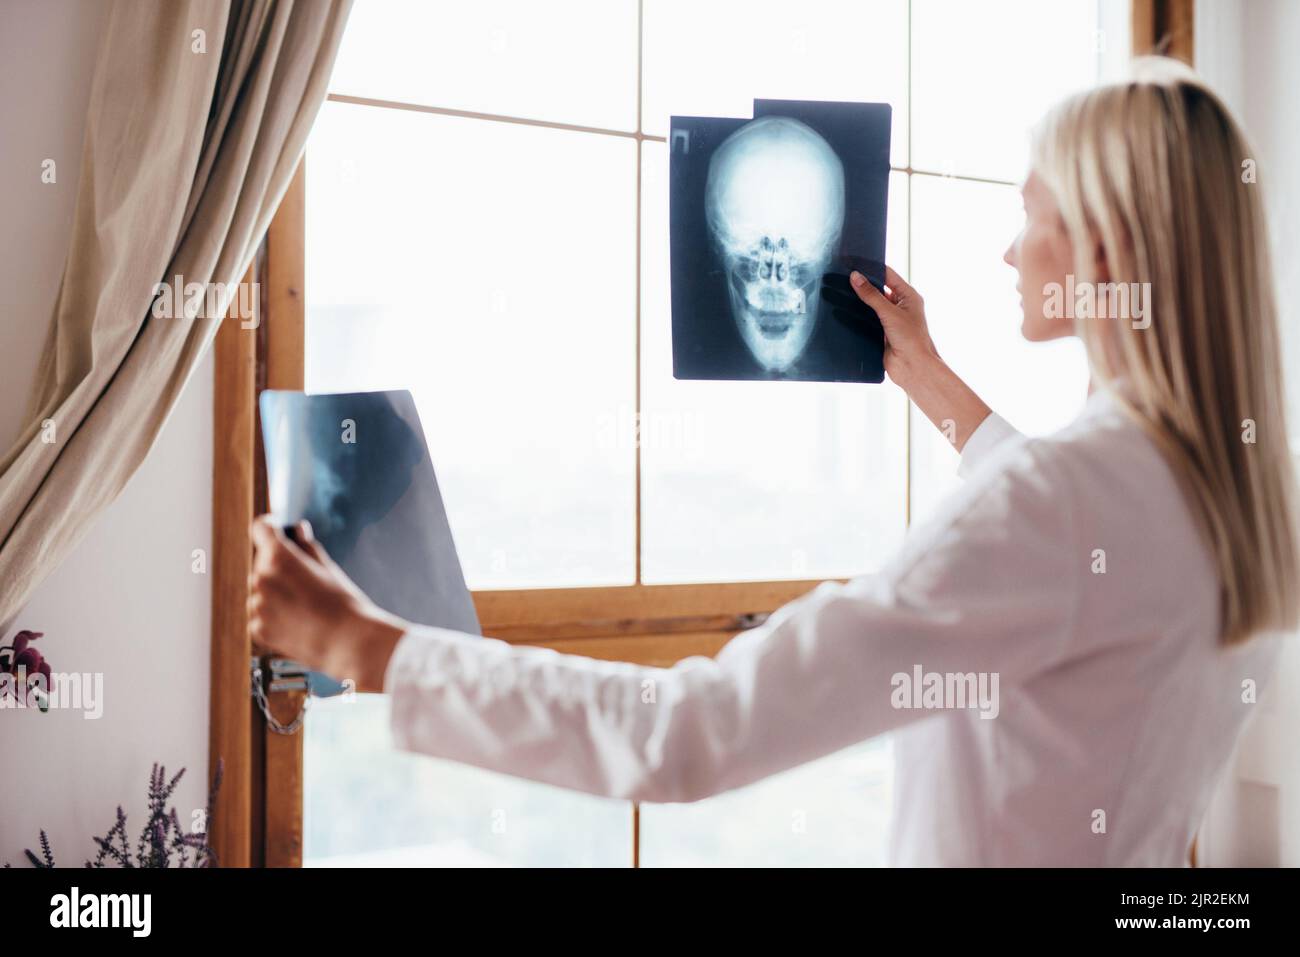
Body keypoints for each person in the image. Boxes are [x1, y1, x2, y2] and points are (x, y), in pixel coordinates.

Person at [247, 59, 1298, 866]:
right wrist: (928, 378)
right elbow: (1082, 548)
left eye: (1030, 214)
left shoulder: (1064, 504)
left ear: (1105, 247)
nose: (1008, 251)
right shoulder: (1231, 494)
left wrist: (371, 646)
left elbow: (689, 734)